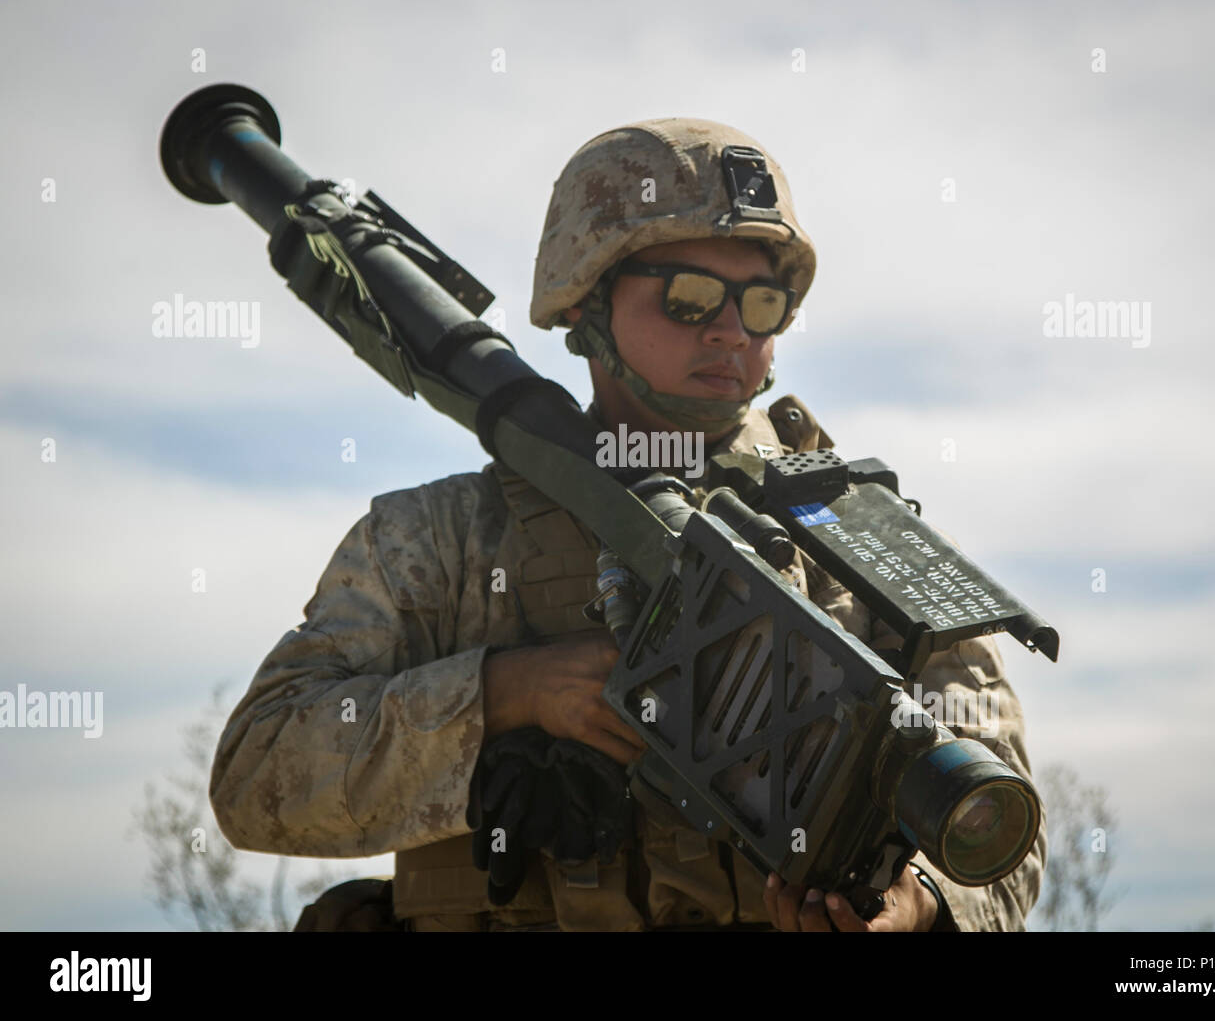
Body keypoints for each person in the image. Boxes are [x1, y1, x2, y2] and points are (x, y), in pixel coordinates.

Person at [210, 118, 1046, 931]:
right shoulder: (441, 539)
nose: (730, 330)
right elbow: (257, 774)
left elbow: (1000, 817)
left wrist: (916, 910)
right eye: (688, 298)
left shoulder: (868, 537)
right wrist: (504, 697)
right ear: (585, 307)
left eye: (762, 303)